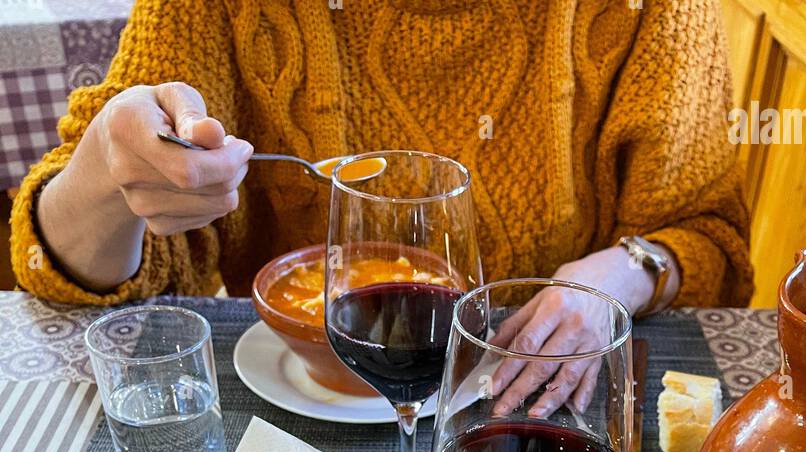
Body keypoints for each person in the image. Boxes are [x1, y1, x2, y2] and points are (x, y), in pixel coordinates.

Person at [11, 0, 753, 359]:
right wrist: (111, 173)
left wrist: (621, 278)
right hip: (293, 398)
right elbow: (64, 265)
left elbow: (707, 242)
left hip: (533, 404)